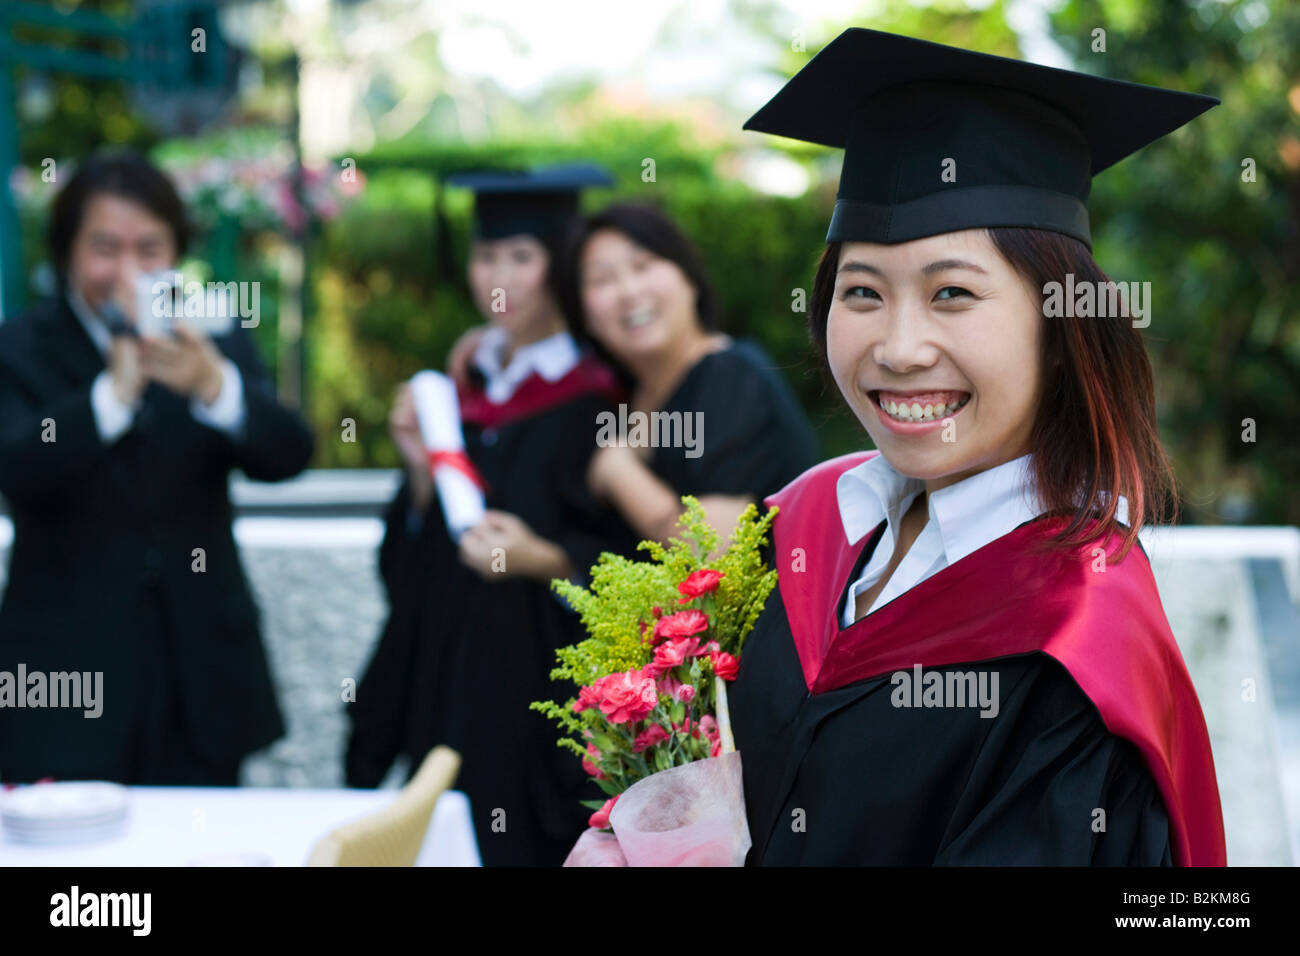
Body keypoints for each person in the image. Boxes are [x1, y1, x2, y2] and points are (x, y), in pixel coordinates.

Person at [727, 28, 1228, 865]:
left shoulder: (1077, 640)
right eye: (862, 292)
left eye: (953, 293)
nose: (898, 349)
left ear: (1062, 330)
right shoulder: (803, 522)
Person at [0, 149, 315, 785]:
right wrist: (109, 400)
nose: (128, 271)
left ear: (175, 252)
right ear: (66, 252)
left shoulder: (210, 334)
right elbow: (16, 468)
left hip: (199, 681)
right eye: (104, 249)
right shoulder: (20, 347)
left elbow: (289, 454)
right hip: (65, 688)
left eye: (149, 249)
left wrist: (216, 389)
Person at [344, 164, 625, 866]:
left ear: (560, 266)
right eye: (484, 255)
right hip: (444, 681)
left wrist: (545, 560)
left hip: (539, 697)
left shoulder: (599, 397)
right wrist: (421, 473)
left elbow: (633, 561)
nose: (497, 277)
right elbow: (406, 572)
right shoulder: (462, 394)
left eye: (521, 257)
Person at [451, 202, 820, 546]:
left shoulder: (732, 378)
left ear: (689, 277)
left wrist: (618, 470)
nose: (629, 291)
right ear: (584, 316)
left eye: (643, 266)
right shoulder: (626, 392)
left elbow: (711, 551)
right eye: (601, 280)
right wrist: (496, 341)